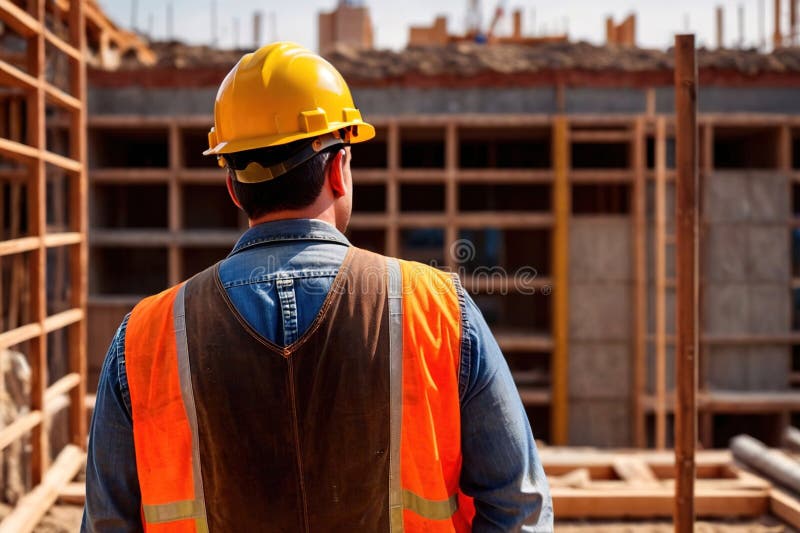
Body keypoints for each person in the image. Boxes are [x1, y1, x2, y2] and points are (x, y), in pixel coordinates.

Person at [82, 42, 552, 532]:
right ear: (337, 170)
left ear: (233, 187)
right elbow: (519, 510)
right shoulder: (437, 310)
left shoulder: (145, 338)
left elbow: (107, 524)